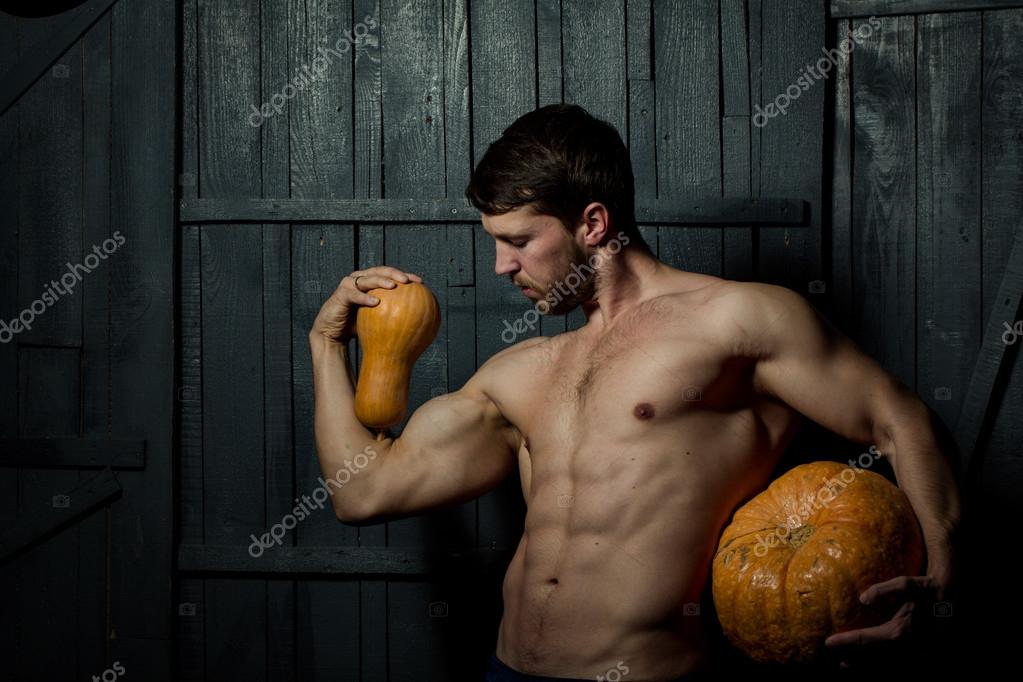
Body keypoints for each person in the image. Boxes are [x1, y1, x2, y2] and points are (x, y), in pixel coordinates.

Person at [308, 104, 961, 681]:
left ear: (591, 223)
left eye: (517, 242)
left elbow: (897, 420)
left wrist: (941, 588)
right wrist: (326, 344)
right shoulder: (519, 371)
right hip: (506, 670)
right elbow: (363, 493)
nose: (501, 267)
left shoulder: (736, 321)